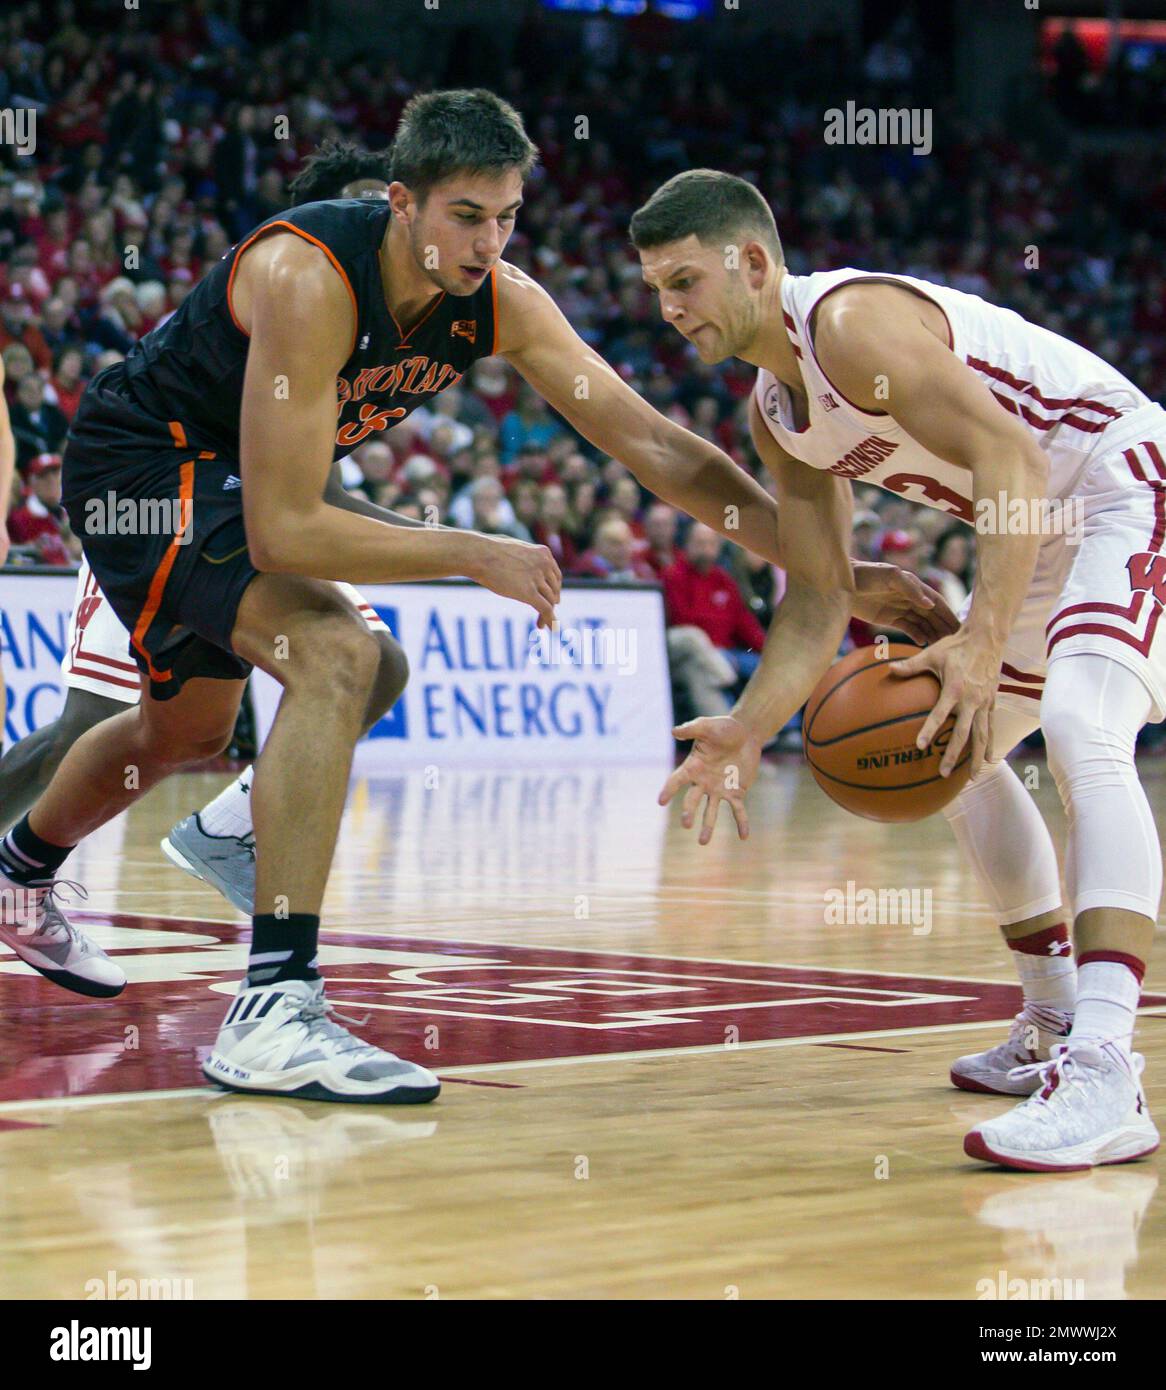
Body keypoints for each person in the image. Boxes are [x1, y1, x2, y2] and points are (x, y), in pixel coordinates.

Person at [0, 95, 944, 1107]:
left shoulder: (501, 298)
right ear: (401, 202)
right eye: (464, 215)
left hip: (227, 481)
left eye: (505, 216)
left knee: (188, 729)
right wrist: (468, 553)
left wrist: (833, 576)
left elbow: (659, 448)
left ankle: (23, 868)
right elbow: (282, 529)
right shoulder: (307, 274)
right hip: (143, 471)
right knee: (336, 653)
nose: (487, 242)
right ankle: (274, 1004)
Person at [636, 167, 1164, 1171]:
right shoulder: (776, 412)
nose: (669, 310)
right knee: (948, 739)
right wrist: (746, 726)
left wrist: (978, 635)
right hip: (1041, 530)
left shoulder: (847, 324)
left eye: (685, 281)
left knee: (1080, 725)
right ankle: (1051, 1020)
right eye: (656, 287)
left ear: (752, 261)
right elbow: (818, 592)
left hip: (1123, 480)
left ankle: (1105, 1067)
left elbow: (1008, 456)